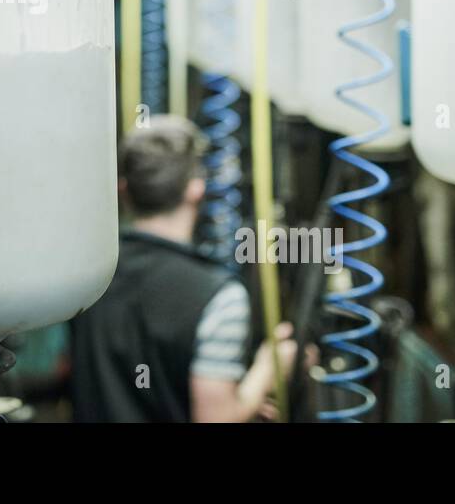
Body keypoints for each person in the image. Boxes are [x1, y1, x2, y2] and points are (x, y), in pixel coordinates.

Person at [70, 115, 297, 422]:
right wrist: (265, 373)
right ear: (195, 189)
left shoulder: (87, 274)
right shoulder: (218, 297)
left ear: (123, 189)